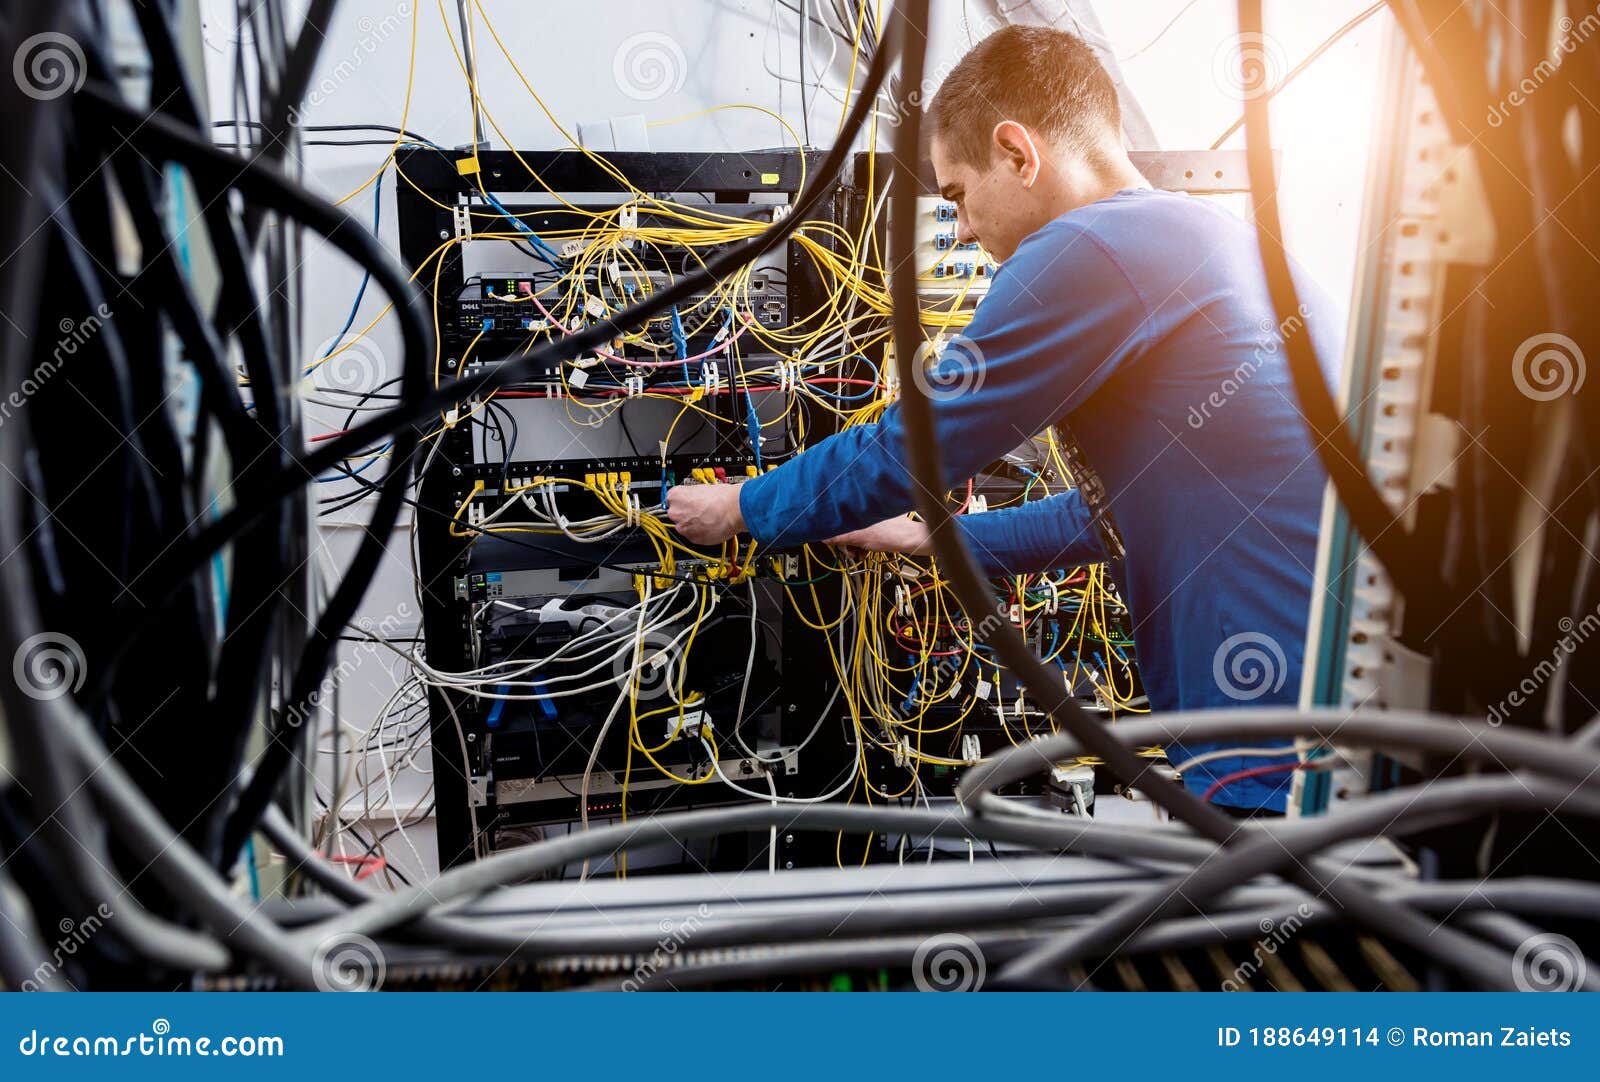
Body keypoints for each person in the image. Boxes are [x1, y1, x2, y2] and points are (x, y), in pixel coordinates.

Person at [666, 25, 1343, 816]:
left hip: (1274, 754)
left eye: (956, 195)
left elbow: (916, 443)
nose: (959, 229)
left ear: (1020, 153)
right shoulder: (1214, 238)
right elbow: (1127, 512)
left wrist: (744, 506)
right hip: (1318, 728)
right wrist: (934, 537)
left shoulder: (1091, 249)